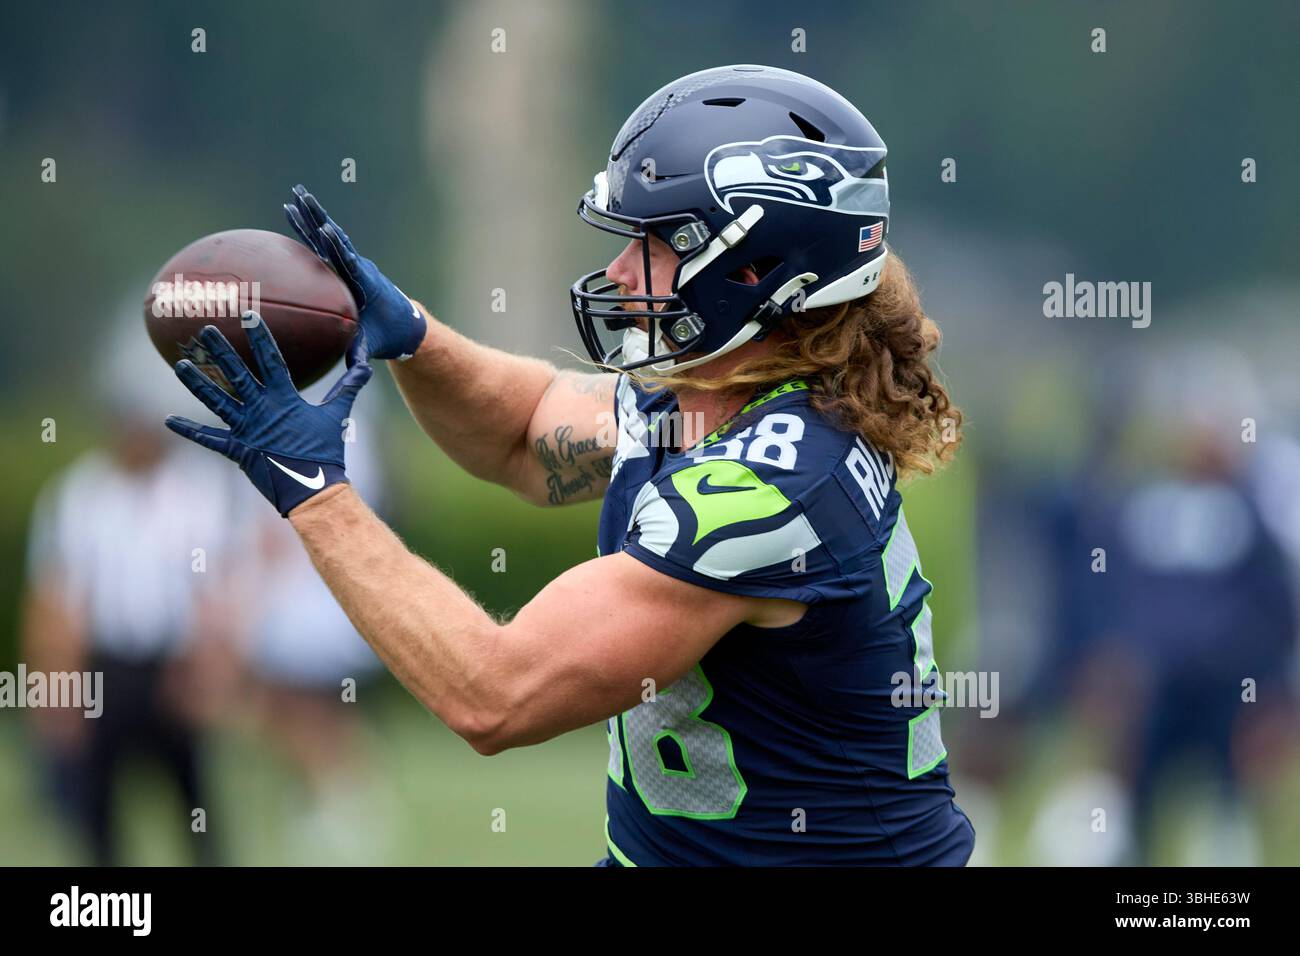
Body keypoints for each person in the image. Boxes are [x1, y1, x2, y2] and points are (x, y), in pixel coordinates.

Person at [166, 64, 975, 865]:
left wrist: (316, 495)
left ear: (754, 267)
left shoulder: (772, 486)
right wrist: (409, 334)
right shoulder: (699, 405)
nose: (621, 274)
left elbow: (494, 694)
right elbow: (519, 433)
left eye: (653, 243)